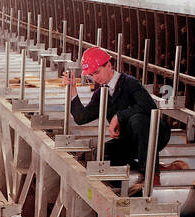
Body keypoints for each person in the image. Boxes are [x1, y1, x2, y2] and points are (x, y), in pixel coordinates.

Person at [67, 47, 183, 195]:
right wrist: (72, 91)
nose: (95, 78)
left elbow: (149, 107)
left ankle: (153, 176)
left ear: (109, 65)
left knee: (137, 120)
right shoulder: (101, 92)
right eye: (91, 75)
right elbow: (81, 118)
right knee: (101, 155)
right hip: (131, 140)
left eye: (97, 72)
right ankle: (136, 182)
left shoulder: (129, 83)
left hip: (154, 134)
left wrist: (119, 116)